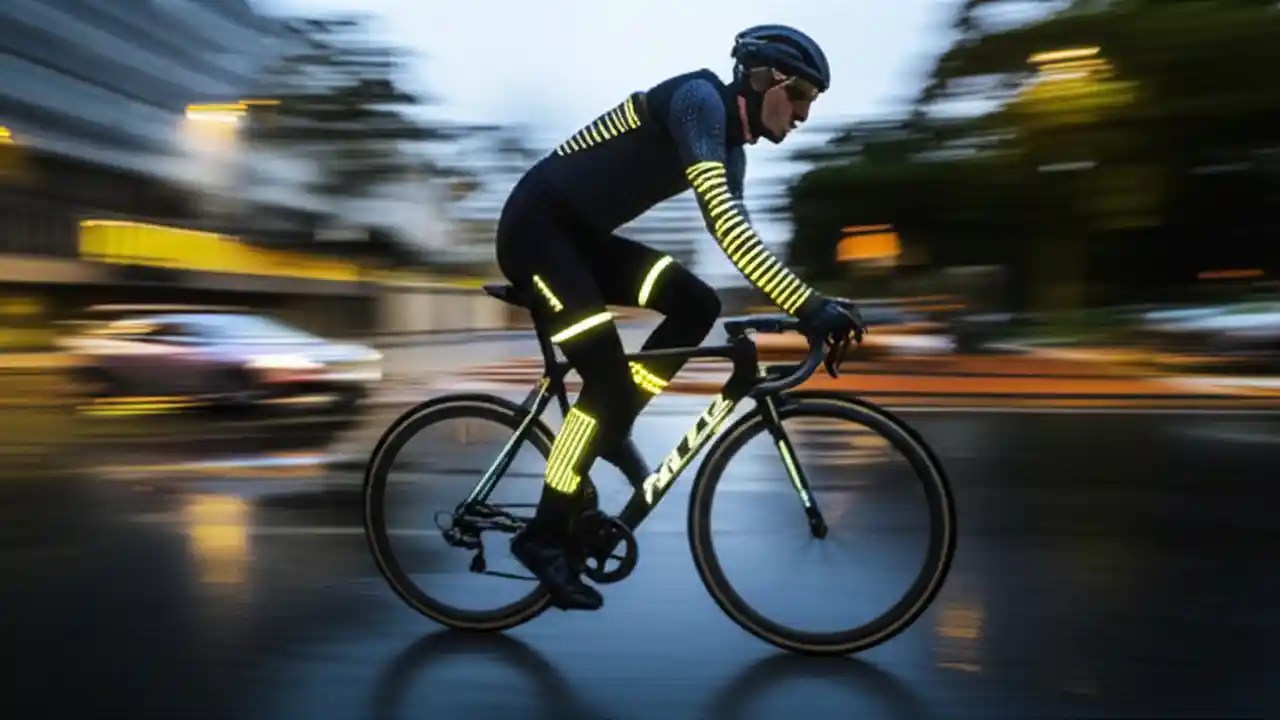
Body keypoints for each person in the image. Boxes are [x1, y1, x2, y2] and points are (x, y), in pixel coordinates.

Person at [495, 24, 866, 611]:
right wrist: (807, 303)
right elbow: (724, 222)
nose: (802, 116)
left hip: (583, 244)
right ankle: (542, 538)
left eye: (810, 105)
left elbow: (740, 241)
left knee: (699, 305)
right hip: (537, 234)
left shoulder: (732, 148)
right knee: (606, 385)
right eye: (800, 98)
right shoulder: (698, 100)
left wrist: (804, 301)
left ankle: (613, 422)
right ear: (766, 78)